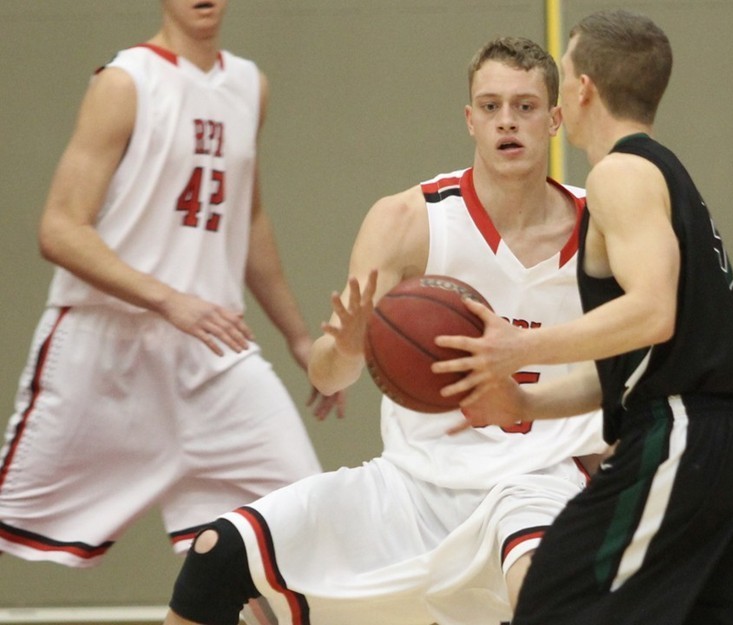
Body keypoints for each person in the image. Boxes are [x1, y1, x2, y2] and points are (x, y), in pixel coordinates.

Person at [161, 36, 607, 625]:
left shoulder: (600, 227)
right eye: (492, 106)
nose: (507, 122)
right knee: (216, 555)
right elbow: (328, 372)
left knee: (540, 588)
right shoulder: (406, 221)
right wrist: (346, 347)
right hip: (413, 483)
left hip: (540, 484)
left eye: (525, 107)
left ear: (554, 120)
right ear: (469, 119)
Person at [434, 9, 733, 625]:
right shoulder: (662, 172)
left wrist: (519, 350)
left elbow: (652, 313)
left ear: (580, 89)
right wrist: (525, 406)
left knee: (553, 602)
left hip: (683, 436)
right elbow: (631, 366)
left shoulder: (619, 175)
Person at [0, 0, 339, 569]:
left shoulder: (249, 85)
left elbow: (248, 217)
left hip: (213, 352)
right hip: (106, 348)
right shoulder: (126, 81)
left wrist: (299, 338)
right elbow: (59, 229)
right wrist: (168, 299)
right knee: (12, 519)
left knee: (303, 527)